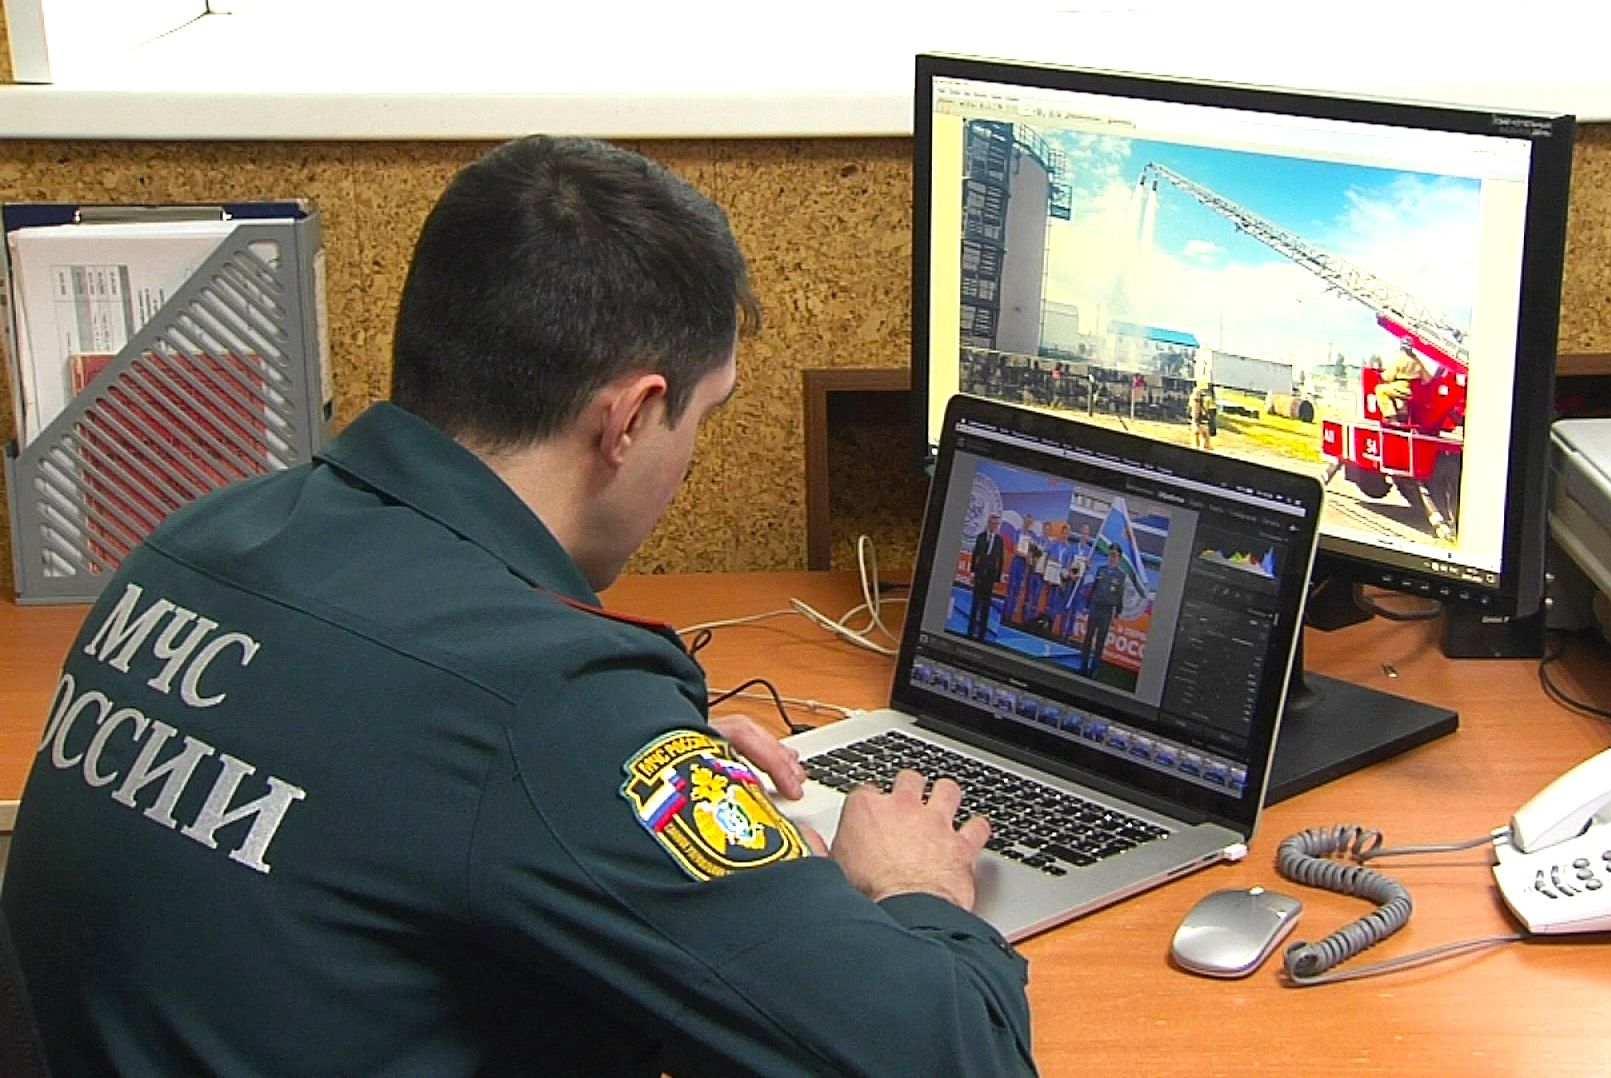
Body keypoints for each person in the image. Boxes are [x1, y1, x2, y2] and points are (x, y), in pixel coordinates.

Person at [2, 136, 1034, 1077]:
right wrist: (916, 884)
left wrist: (617, 778)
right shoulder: (547, 705)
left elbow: (372, 753)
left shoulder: (197, 542)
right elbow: (958, 1058)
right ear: (631, 418)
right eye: (703, 416)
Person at [1081, 545, 1128, 676]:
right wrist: (1087, 605)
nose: (1112, 558)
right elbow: (1094, 588)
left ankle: (1094, 668)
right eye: (1110, 555)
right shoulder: (1101, 570)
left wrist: (1117, 613)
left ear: (1119, 558)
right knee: (1088, 637)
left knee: (1100, 640)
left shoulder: (1120, 575)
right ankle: (1083, 665)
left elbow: (1119, 595)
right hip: (1095, 607)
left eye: (1114, 555)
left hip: (1106, 611)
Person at [966, 512, 1007, 641]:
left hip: (990, 576)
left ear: (997, 526)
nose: (993, 526)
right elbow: (975, 555)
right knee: (975, 603)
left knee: (985, 606)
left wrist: (997, 579)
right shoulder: (981, 537)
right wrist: (972, 572)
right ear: (988, 523)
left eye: (995, 524)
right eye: (991, 523)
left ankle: (981, 635)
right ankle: (970, 632)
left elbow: (1000, 560)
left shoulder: (999, 541)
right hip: (979, 574)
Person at [1375, 345, 1429, 425]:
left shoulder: (1400, 359)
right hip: (1414, 392)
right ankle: (1403, 414)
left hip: (1403, 388)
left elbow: (1389, 376)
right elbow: (1427, 379)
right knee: (1392, 391)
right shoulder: (1417, 361)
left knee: (1380, 389)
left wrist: (1380, 375)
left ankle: (1390, 416)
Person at [1188, 382, 1215, 449]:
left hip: (1197, 418)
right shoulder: (1201, 399)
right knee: (1201, 434)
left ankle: (1200, 446)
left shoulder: (1193, 398)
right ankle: (1203, 446)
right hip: (1199, 418)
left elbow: (1190, 408)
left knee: (1198, 433)